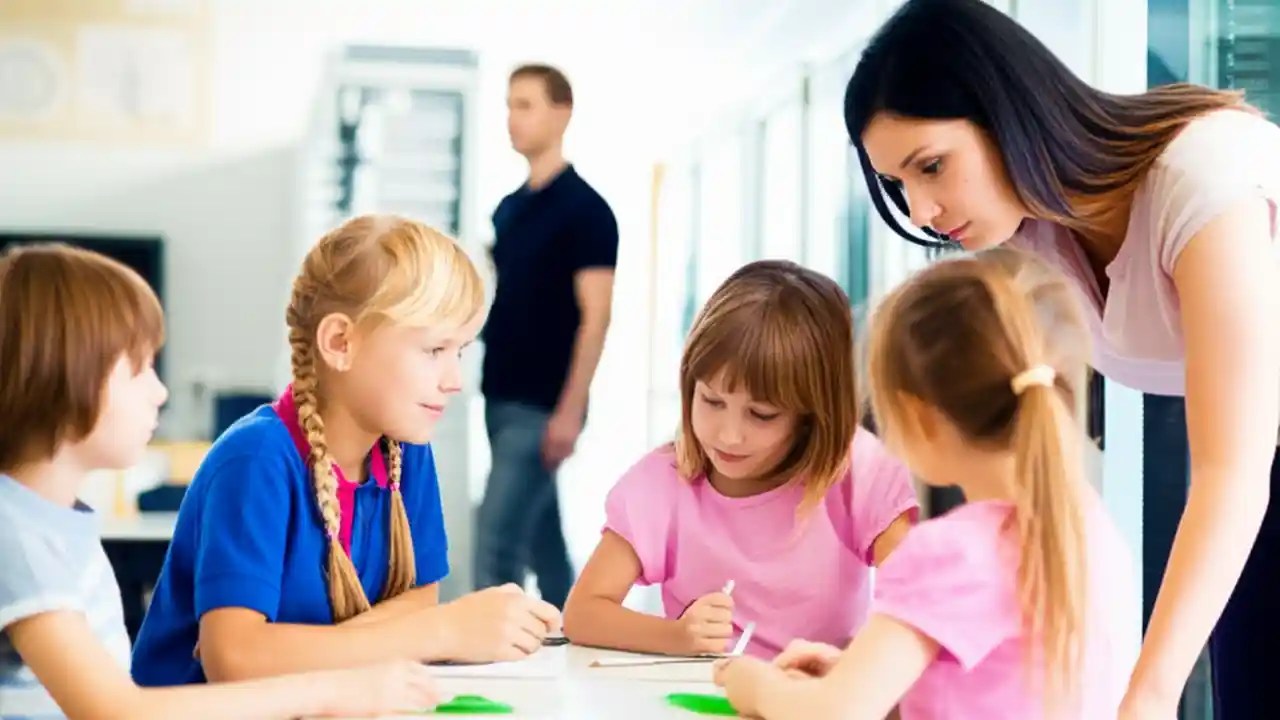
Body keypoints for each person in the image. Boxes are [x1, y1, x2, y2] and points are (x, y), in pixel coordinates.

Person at [842, 1, 1280, 716]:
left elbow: (1232, 469)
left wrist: (1150, 692)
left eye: (930, 166)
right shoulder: (1031, 238)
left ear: (1004, 113)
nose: (920, 210)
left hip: (1252, 471)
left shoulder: (1205, 179)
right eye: (899, 185)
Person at [0, 244, 441, 719]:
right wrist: (332, 692)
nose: (160, 391)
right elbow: (118, 712)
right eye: (139, 368)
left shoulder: (49, 524)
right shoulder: (18, 539)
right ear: (65, 376)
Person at [131, 215, 560, 686]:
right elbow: (235, 658)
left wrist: (309, 649)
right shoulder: (256, 461)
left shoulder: (405, 450)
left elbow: (417, 600)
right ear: (340, 343)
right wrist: (442, 631)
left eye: (461, 351)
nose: (455, 380)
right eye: (434, 350)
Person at [715, 249, 1138, 719]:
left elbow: (831, 715)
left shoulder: (952, 552)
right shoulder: (1087, 528)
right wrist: (867, 674)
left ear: (920, 417)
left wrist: (754, 686)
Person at [562, 260, 917, 659]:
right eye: (712, 401)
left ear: (813, 413)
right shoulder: (663, 482)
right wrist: (677, 637)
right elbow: (583, 614)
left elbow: (916, 609)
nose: (729, 435)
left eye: (762, 414)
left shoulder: (859, 469)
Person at [475, 63, 618, 609]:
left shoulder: (587, 212)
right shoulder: (508, 211)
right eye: (509, 104)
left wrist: (570, 411)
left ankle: (484, 665)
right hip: (500, 398)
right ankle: (585, 623)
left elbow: (596, 316)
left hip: (542, 407)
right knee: (545, 546)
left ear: (563, 112)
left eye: (526, 104)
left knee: (496, 545)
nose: (513, 118)